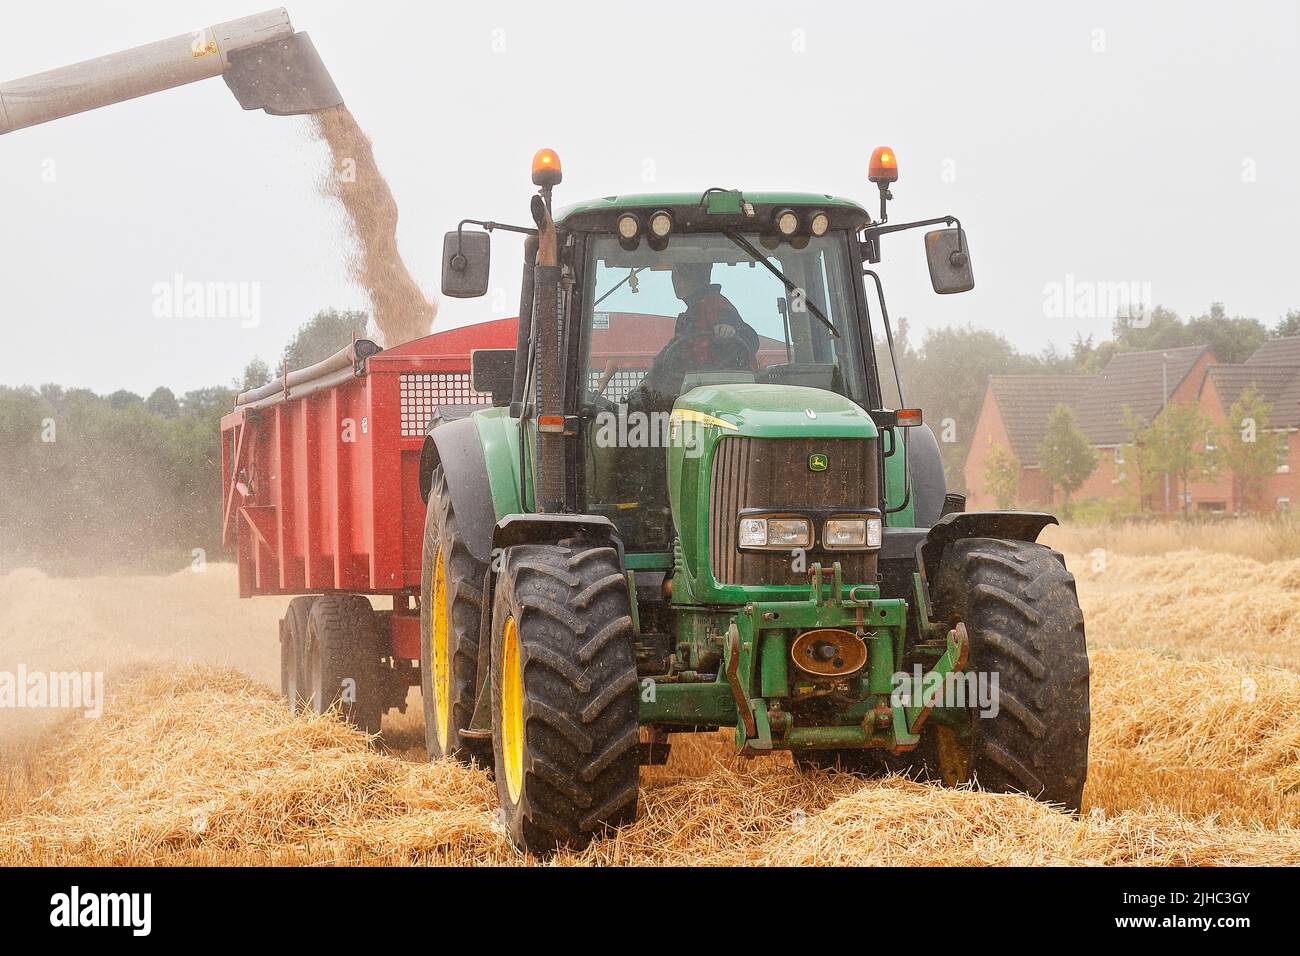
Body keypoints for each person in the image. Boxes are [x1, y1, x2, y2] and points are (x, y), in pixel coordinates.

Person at [668, 262, 759, 365]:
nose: (675, 281)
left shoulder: (718, 306)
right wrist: (654, 375)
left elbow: (749, 337)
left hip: (729, 378)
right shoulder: (688, 317)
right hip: (698, 378)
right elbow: (672, 351)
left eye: (676, 275)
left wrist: (727, 328)